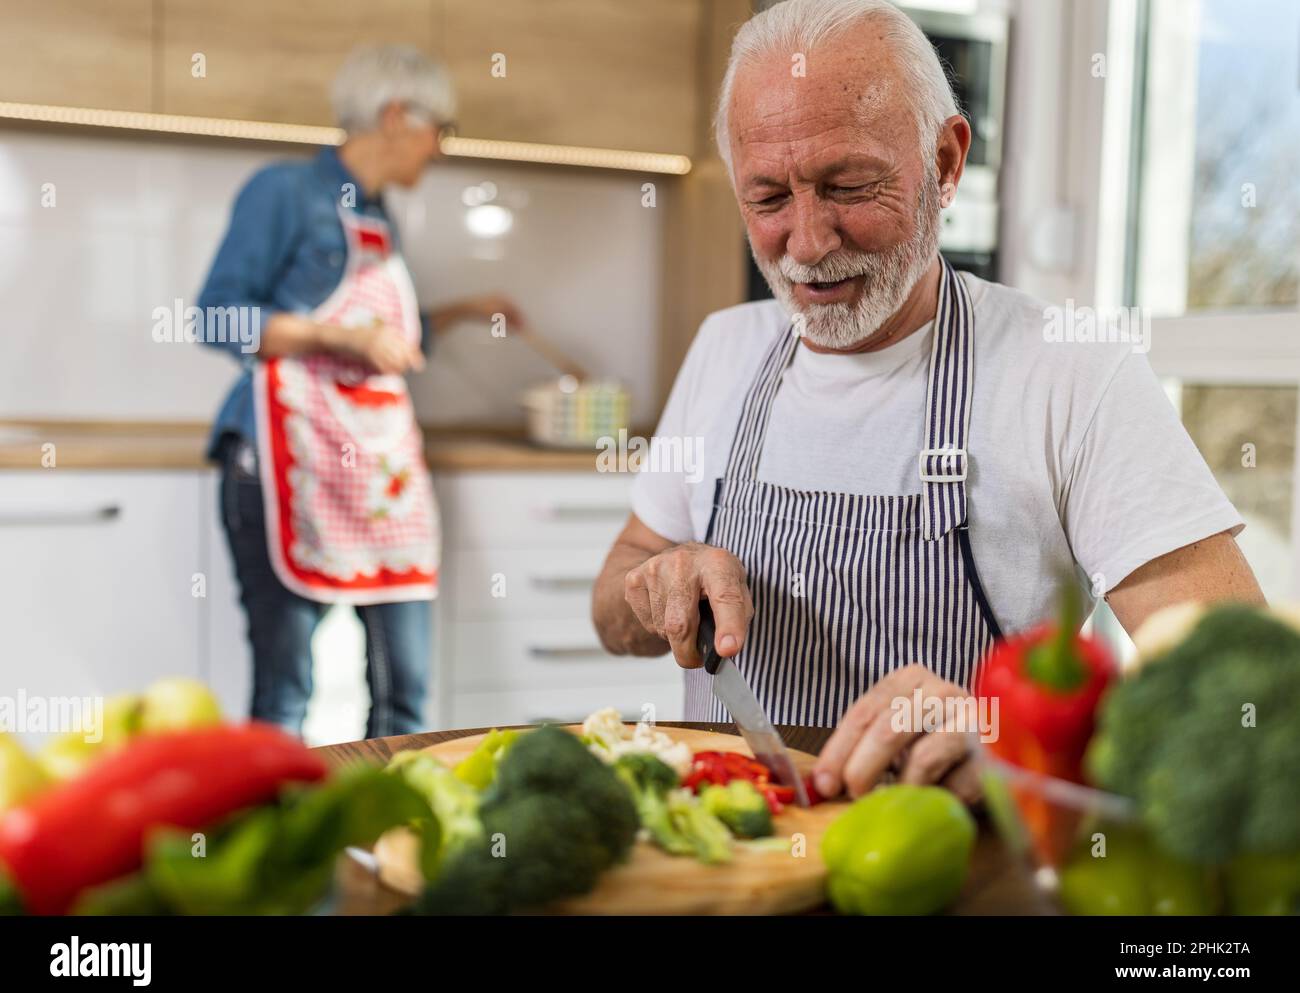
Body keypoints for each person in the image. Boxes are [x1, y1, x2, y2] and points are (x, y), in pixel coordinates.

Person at [591, 0, 1264, 802]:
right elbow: (612, 604)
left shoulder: (1073, 372)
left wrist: (1007, 729)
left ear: (946, 162)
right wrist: (659, 583)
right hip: (740, 862)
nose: (807, 244)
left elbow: (1245, 698)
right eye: (767, 198)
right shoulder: (724, 349)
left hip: (967, 870)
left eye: (848, 186)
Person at [198, 44, 522, 738]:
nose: (438, 149)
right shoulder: (283, 192)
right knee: (287, 695)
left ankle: (387, 842)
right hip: (282, 460)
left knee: (406, 693)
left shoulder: (381, 217)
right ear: (398, 116)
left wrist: (465, 310)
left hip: (375, 473)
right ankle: (285, 845)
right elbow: (217, 316)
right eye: (442, 128)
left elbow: (388, 342)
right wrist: (343, 339)